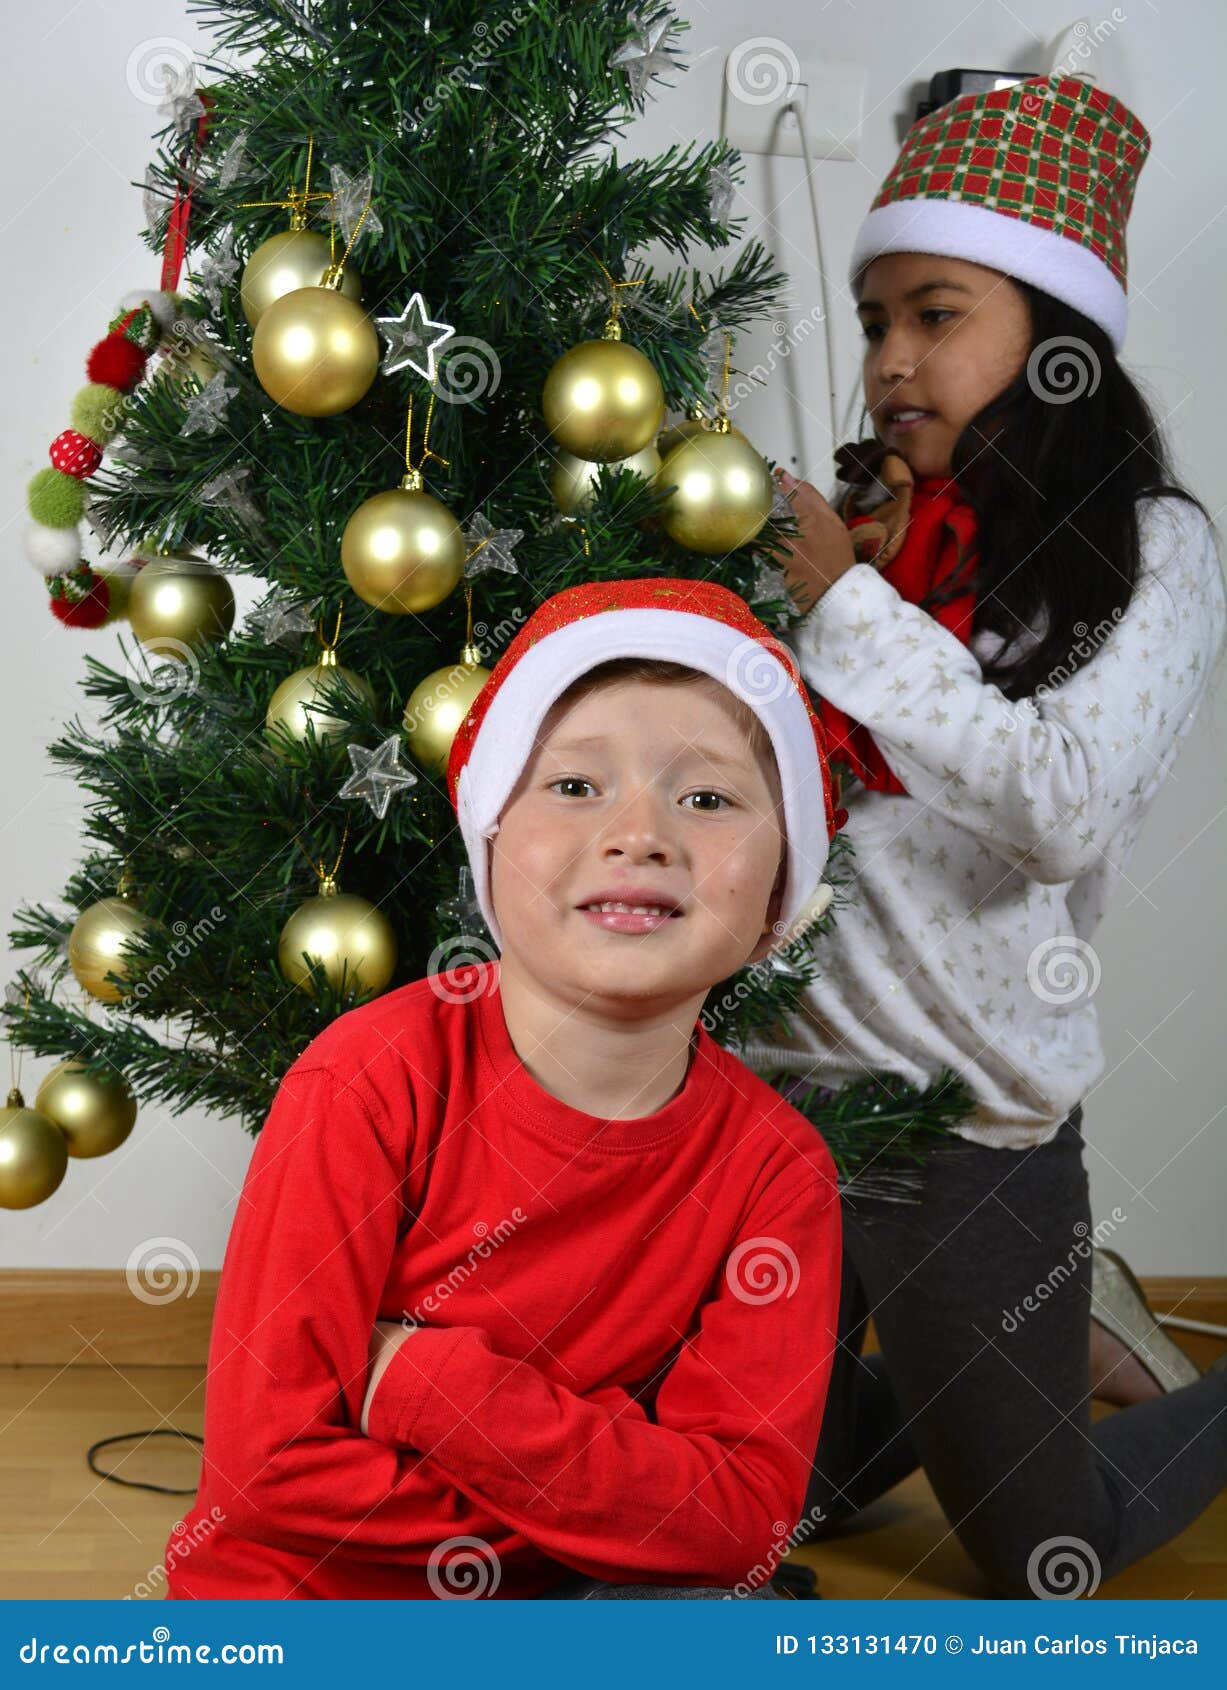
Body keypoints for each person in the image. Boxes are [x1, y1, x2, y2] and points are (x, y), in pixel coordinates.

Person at [753, 71, 1227, 1597]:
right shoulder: (874, 524)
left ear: (1051, 330)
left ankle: (1050, 1337)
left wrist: (844, 605)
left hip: (963, 1125)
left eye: (933, 314)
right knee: (785, 1496)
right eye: (874, 317)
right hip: (772, 1108)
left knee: (1049, 1557)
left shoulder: (1147, 547)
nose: (889, 360)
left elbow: (1056, 808)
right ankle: (1026, 1356)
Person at [163, 576, 844, 1600]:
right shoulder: (366, 1081)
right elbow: (268, 1476)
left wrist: (428, 1384)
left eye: (708, 798)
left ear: (778, 897)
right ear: (490, 835)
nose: (641, 834)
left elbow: (739, 1520)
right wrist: (615, 1498)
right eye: (575, 786)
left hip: (568, 1606)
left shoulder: (777, 1172)